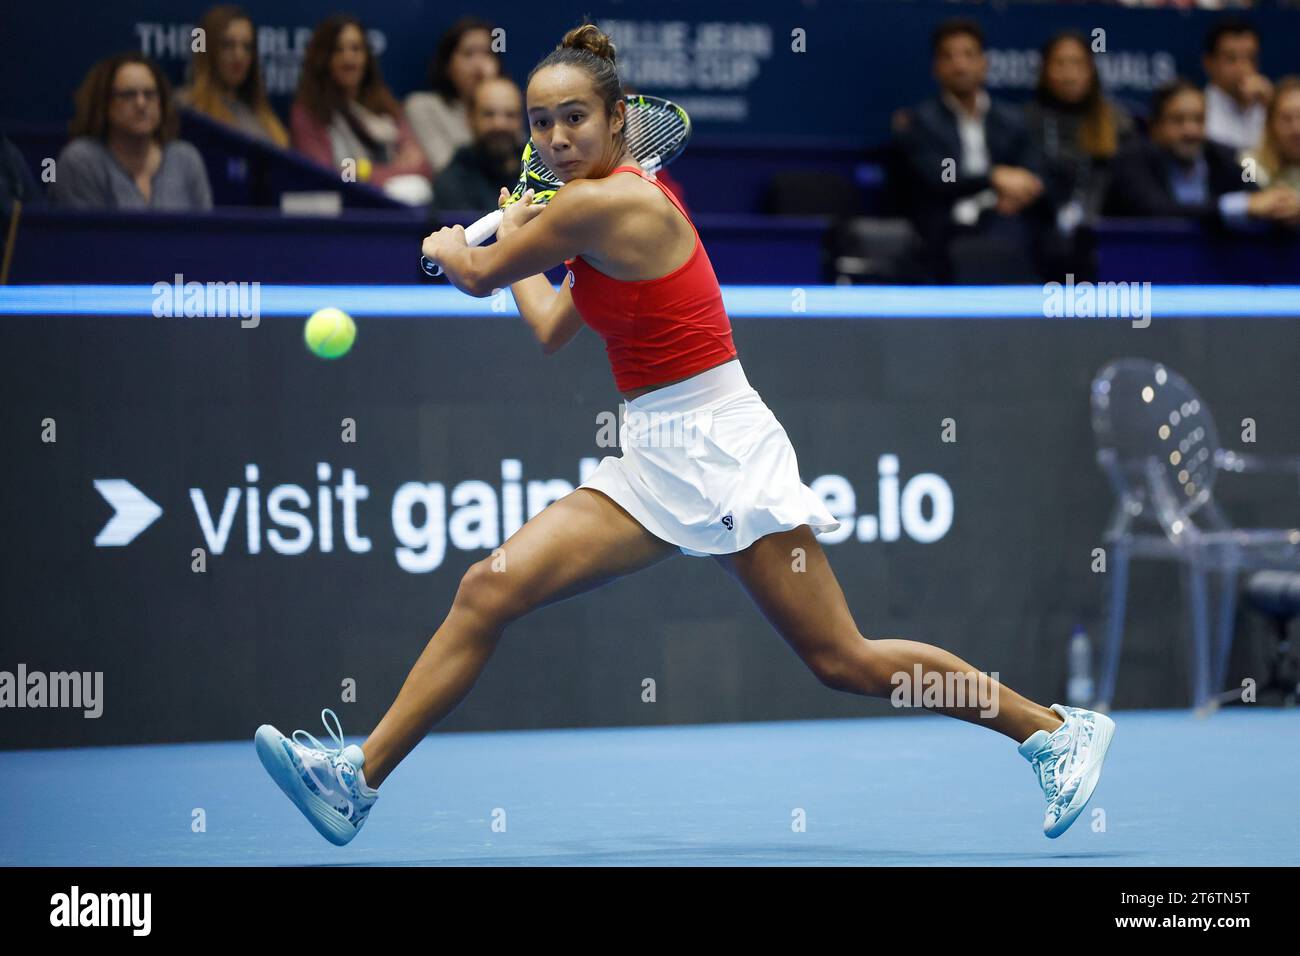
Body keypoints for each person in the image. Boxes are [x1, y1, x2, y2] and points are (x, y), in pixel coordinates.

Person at [256, 22, 1115, 848]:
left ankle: (1051, 734)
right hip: (652, 450)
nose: (554, 137)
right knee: (490, 586)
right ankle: (355, 780)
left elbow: (478, 274)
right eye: (540, 123)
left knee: (843, 659)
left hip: (724, 443)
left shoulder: (609, 204)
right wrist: (518, 238)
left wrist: (461, 245)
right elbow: (555, 326)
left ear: (619, 119)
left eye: (574, 119)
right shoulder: (582, 208)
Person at [893, 19, 1047, 282]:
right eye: (949, 57)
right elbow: (942, 178)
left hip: (1005, 220)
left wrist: (1019, 192)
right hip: (946, 228)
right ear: (936, 68)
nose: (960, 65)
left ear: (984, 64)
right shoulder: (920, 123)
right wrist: (993, 178)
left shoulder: (1012, 120)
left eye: (968, 55)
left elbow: (1035, 171)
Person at [1104, 78, 1299, 227]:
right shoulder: (1130, 160)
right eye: (1178, 120)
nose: (1191, 131)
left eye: (1198, 120)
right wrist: (1238, 206)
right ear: (1155, 127)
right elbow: (1157, 211)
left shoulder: (1224, 157)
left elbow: (1254, 195)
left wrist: (1280, 207)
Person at [291, 14, 432, 203]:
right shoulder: (309, 113)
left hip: (397, 212)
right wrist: (390, 172)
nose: (349, 58)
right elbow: (326, 175)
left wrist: (364, 170)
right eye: (338, 50)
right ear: (322, 58)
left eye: (356, 49)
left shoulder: (385, 107)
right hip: (346, 214)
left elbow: (422, 167)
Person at [52, 52, 212, 211]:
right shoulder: (81, 161)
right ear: (104, 103)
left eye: (149, 94)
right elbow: (85, 234)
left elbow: (206, 233)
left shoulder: (186, 159)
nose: (141, 103)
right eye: (128, 95)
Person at [177, 4, 289, 147]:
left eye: (247, 47)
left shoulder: (265, 117)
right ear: (208, 50)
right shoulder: (188, 108)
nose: (239, 56)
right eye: (227, 45)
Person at [406, 17, 502, 179]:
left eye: (487, 54)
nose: (479, 65)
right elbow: (444, 166)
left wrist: (492, 93)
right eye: (469, 54)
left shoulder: (503, 109)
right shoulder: (422, 105)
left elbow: (515, 166)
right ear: (447, 64)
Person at [431, 75, 524, 212]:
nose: (500, 124)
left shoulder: (542, 172)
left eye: (510, 115)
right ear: (470, 118)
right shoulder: (451, 182)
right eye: (489, 114)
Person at [1202, 17, 1271, 151]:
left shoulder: (1267, 104)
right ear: (1209, 63)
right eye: (1231, 59)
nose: (1243, 67)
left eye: (1250, 58)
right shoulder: (1200, 112)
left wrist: (1272, 106)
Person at [1244, 75, 1300, 194]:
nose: (1296, 129)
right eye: (1286, 119)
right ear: (1270, 124)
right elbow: (1246, 197)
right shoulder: (1249, 164)